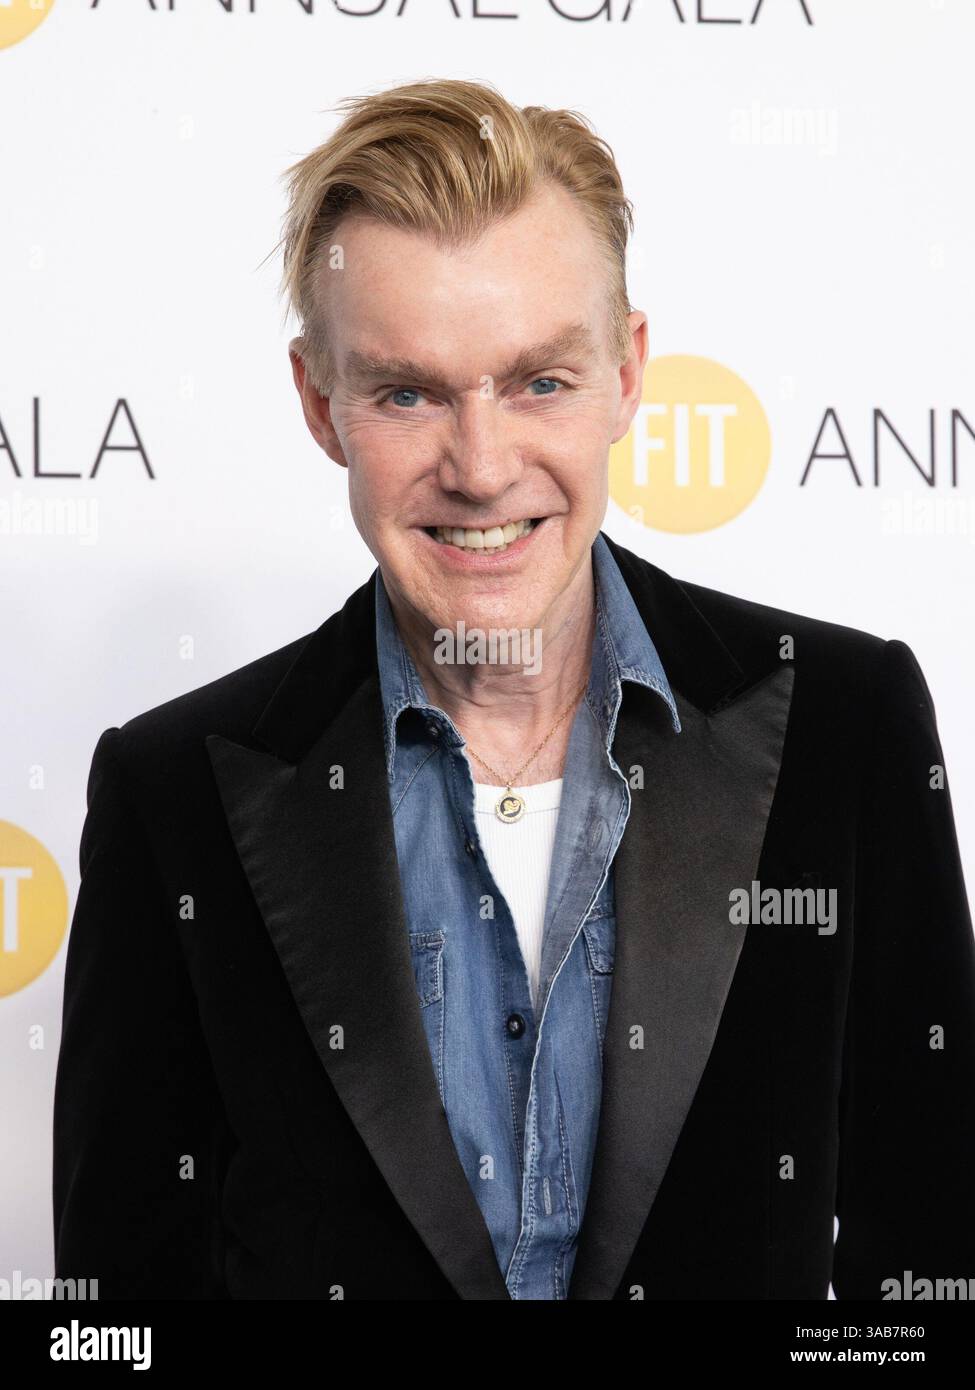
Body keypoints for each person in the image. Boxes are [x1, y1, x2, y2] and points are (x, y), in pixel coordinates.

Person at [53, 77, 975, 1301]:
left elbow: (934, 1260)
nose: (482, 470)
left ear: (629, 373)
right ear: (320, 403)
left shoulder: (847, 726)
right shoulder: (173, 795)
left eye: (539, 381)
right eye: (407, 392)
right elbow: (116, 1319)